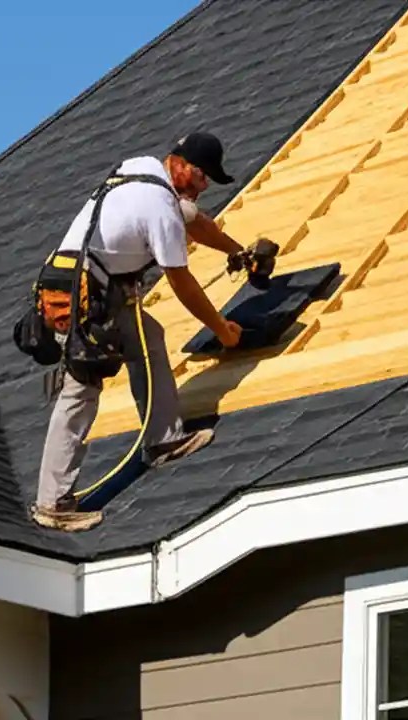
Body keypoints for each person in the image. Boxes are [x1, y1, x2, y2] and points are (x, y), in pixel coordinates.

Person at [32, 132, 247, 532]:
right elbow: (181, 283)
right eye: (203, 180)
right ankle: (52, 504)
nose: (204, 189)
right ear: (182, 167)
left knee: (149, 338)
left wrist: (238, 252)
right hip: (85, 298)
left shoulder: (141, 171)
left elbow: (196, 224)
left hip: (91, 286)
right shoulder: (159, 207)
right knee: (82, 391)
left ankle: (163, 438)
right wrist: (222, 329)